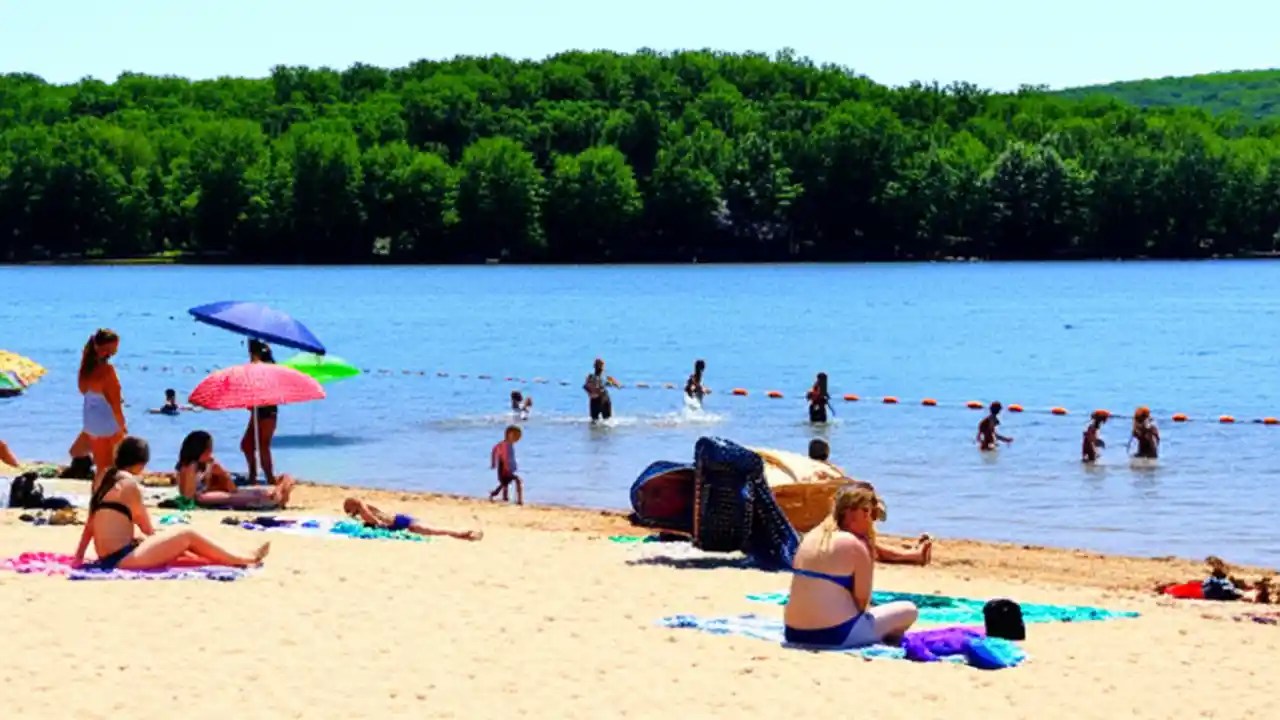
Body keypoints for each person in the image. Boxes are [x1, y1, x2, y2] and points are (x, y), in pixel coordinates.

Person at [72, 436, 270, 570]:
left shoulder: (105, 480)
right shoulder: (129, 485)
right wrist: (161, 537)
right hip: (121, 558)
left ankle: (234, 560)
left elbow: (90, 523)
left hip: (109, 557)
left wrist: (78, 557)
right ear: (141, 463)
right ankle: (245, 559)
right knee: (187, 534)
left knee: (179, 551)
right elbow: (148, 529)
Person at [783, 484, 919, 648]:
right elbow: (862, 602)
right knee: (909, 610)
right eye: (872, 515)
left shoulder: (811, 537)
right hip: (835, 634)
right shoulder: (855, 545)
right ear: (863, 512)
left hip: (793, 632)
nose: (872, 522)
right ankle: (886, 640)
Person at [175, 431, 296, 509]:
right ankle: (277, 497)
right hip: (201, 498)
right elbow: (188, 496)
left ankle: (278, 494)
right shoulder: (190, 466)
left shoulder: (205, 464)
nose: (211, 452)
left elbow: (232, 488)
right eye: (209, 448)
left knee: (284, 479)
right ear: (199, 449)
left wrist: (222, 474)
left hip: (208, 495)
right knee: (233, 498)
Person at [78, 329, 126, 486]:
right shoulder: (107, 371)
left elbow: (83, 390)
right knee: (112, 468)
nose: (117, 350)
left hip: (90, 421)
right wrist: (122, 425)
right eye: (115, 346)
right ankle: (105, 500)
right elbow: (115, 404)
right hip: (106, 422)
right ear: (107, 347)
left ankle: (96, 500)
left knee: (100, 467)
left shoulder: (86, 369)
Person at [342, 498, 483, 541]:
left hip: (404, 523)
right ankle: (466, 535)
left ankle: (467, 533)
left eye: (350, 510)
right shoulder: (367, 509)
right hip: (401, 521)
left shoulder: (364, 510)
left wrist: (374, 524)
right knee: (436, 531)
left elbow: (374, 521)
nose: (351, 514)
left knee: (438, 531)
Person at [242, 339, 279, 484]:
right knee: (247, 445)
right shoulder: (256, 368)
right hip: (257, 412)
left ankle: (269, 478)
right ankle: (253, 475)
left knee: (263, 446)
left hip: (267, 411)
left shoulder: (266, 369)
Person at [489, 425, 524, 504]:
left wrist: (513, 465)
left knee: (504, 484)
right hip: (504, 469)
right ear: (510, 435)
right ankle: (519, 501)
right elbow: (499, 453)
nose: (517, 440)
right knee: (517, 481)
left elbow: (510, 457)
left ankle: (498, 495)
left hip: (507, 469)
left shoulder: (509, 445)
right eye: (516, 437)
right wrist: (494, 463)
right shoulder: (504, 444)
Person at [583, 358, 618, 422]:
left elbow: (617, 384)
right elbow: (585, 387)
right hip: (599, 398)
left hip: (601, 399)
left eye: (601, 366)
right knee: (600, 421)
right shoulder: (592, 377)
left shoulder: (605, 376)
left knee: (603, 421)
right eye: (600, 366)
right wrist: (593, 392)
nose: (601, 368)